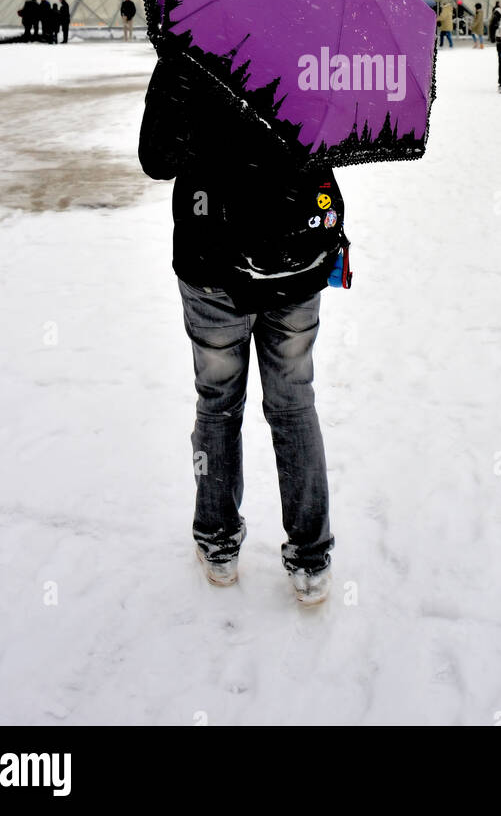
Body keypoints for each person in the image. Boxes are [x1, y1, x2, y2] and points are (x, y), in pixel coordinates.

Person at [138, 54, 346, 605]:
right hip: (296, 263)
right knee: (295, 405)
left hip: (212, 265)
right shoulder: (314, 46)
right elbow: (335, 143)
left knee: (217, 405)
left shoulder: (190, 51)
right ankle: (310, 556)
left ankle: (218, 539)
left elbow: (158, 159)